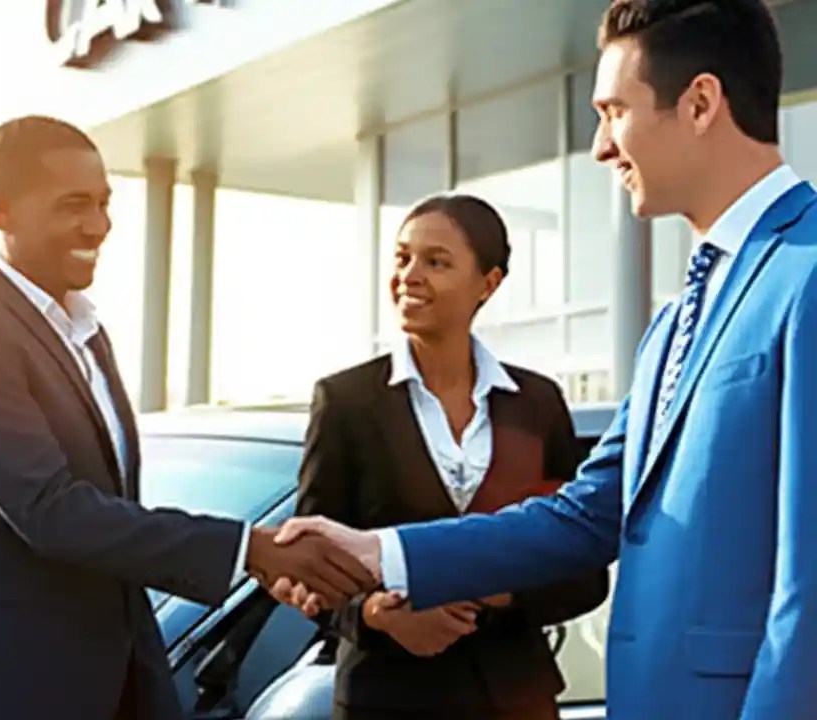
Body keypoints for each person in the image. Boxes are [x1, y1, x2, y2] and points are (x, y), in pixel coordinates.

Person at [271, 1, 817, 718]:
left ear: (700, 102)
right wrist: (377, 554)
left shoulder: (806, 275)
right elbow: (585, 516)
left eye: (613, 111)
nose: (600, 147)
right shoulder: (672, 323)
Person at [0, 115, 376, 720]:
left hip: (113, 678)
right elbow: (52, 510)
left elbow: (115, 512)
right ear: (2, 211)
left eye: (103, 203)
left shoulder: (87, 335)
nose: (98, 225)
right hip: (0, 681)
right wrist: (248, 549)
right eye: (74, 205)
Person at [296, 194, 608, 720]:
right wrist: (376, 614)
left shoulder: (537, 404)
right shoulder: (345, 402)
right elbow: (308, 565)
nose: (409, 276)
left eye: (435, 262)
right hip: (386, 700)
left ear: (488, 283)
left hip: (515, 698)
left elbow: (583, 567)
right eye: (402, 258)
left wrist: (492, 590)